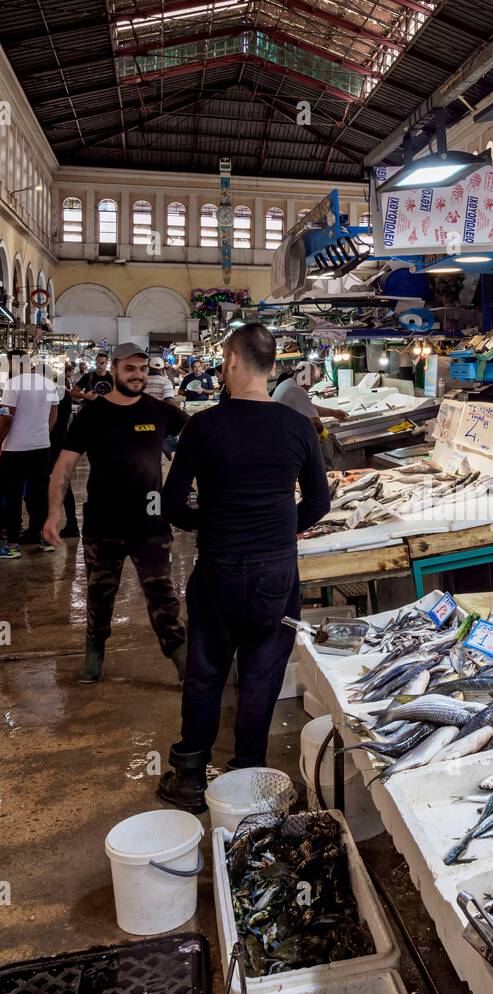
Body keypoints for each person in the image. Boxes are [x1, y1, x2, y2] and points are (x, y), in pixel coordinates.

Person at [159, 322, 330, 811]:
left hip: (219, 566)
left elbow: (172, 503)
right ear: (272, 367)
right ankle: (248, 775)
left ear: (232, 361)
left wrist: (205, 520)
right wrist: (281, 529)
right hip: (276, 571)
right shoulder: (297, 426)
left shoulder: (204, 426)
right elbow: (319, 501)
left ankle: (190, 774)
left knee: (206, 669)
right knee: (262, 671)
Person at [43, 342, 188, 683]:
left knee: (162, 592)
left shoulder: (160, 411)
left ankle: (180, 655)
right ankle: (94, 649)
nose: (138, 375)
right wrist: (53, 514)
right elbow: (63, 466)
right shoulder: (93, 414)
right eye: (130, 369)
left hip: (151, 520)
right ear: (115, 370)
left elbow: (201, 437)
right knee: (100, 591)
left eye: (142, 369)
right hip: (103, 521)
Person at [0, 359, 60, 559]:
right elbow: (53, 417)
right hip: (42, 448)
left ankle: (13, 544)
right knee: (39, 494)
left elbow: (7, 418)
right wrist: (42, 435)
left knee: (13, 495)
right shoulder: (50, 385)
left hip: (14, 449)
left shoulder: (14, 384)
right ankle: (44, 539)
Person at [48, 364, 79, 539]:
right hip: (61, 442)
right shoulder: (65, 394)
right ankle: (72, 523)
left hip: (50, 443)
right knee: (64, 485)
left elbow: (51, 420)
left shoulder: (52, 395)